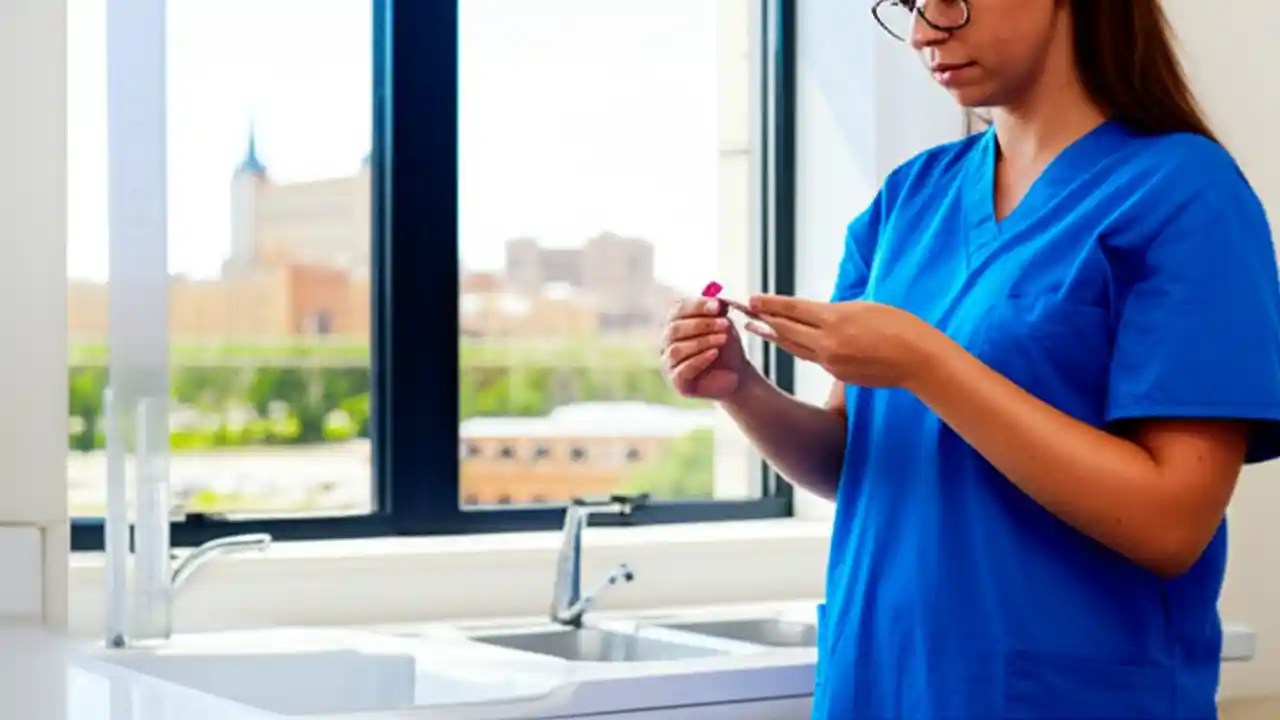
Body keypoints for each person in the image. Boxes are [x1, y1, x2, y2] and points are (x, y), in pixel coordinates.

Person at [660, 0, 1280, 717]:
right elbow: (855, 462)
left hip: (1064, 693)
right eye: (910, 6)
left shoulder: (1183, 194)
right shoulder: (909, 198)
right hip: (881, 683)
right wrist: (743, 392)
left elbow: (1171, 525)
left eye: (952, 0)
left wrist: (926, 361)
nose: (924, 32)